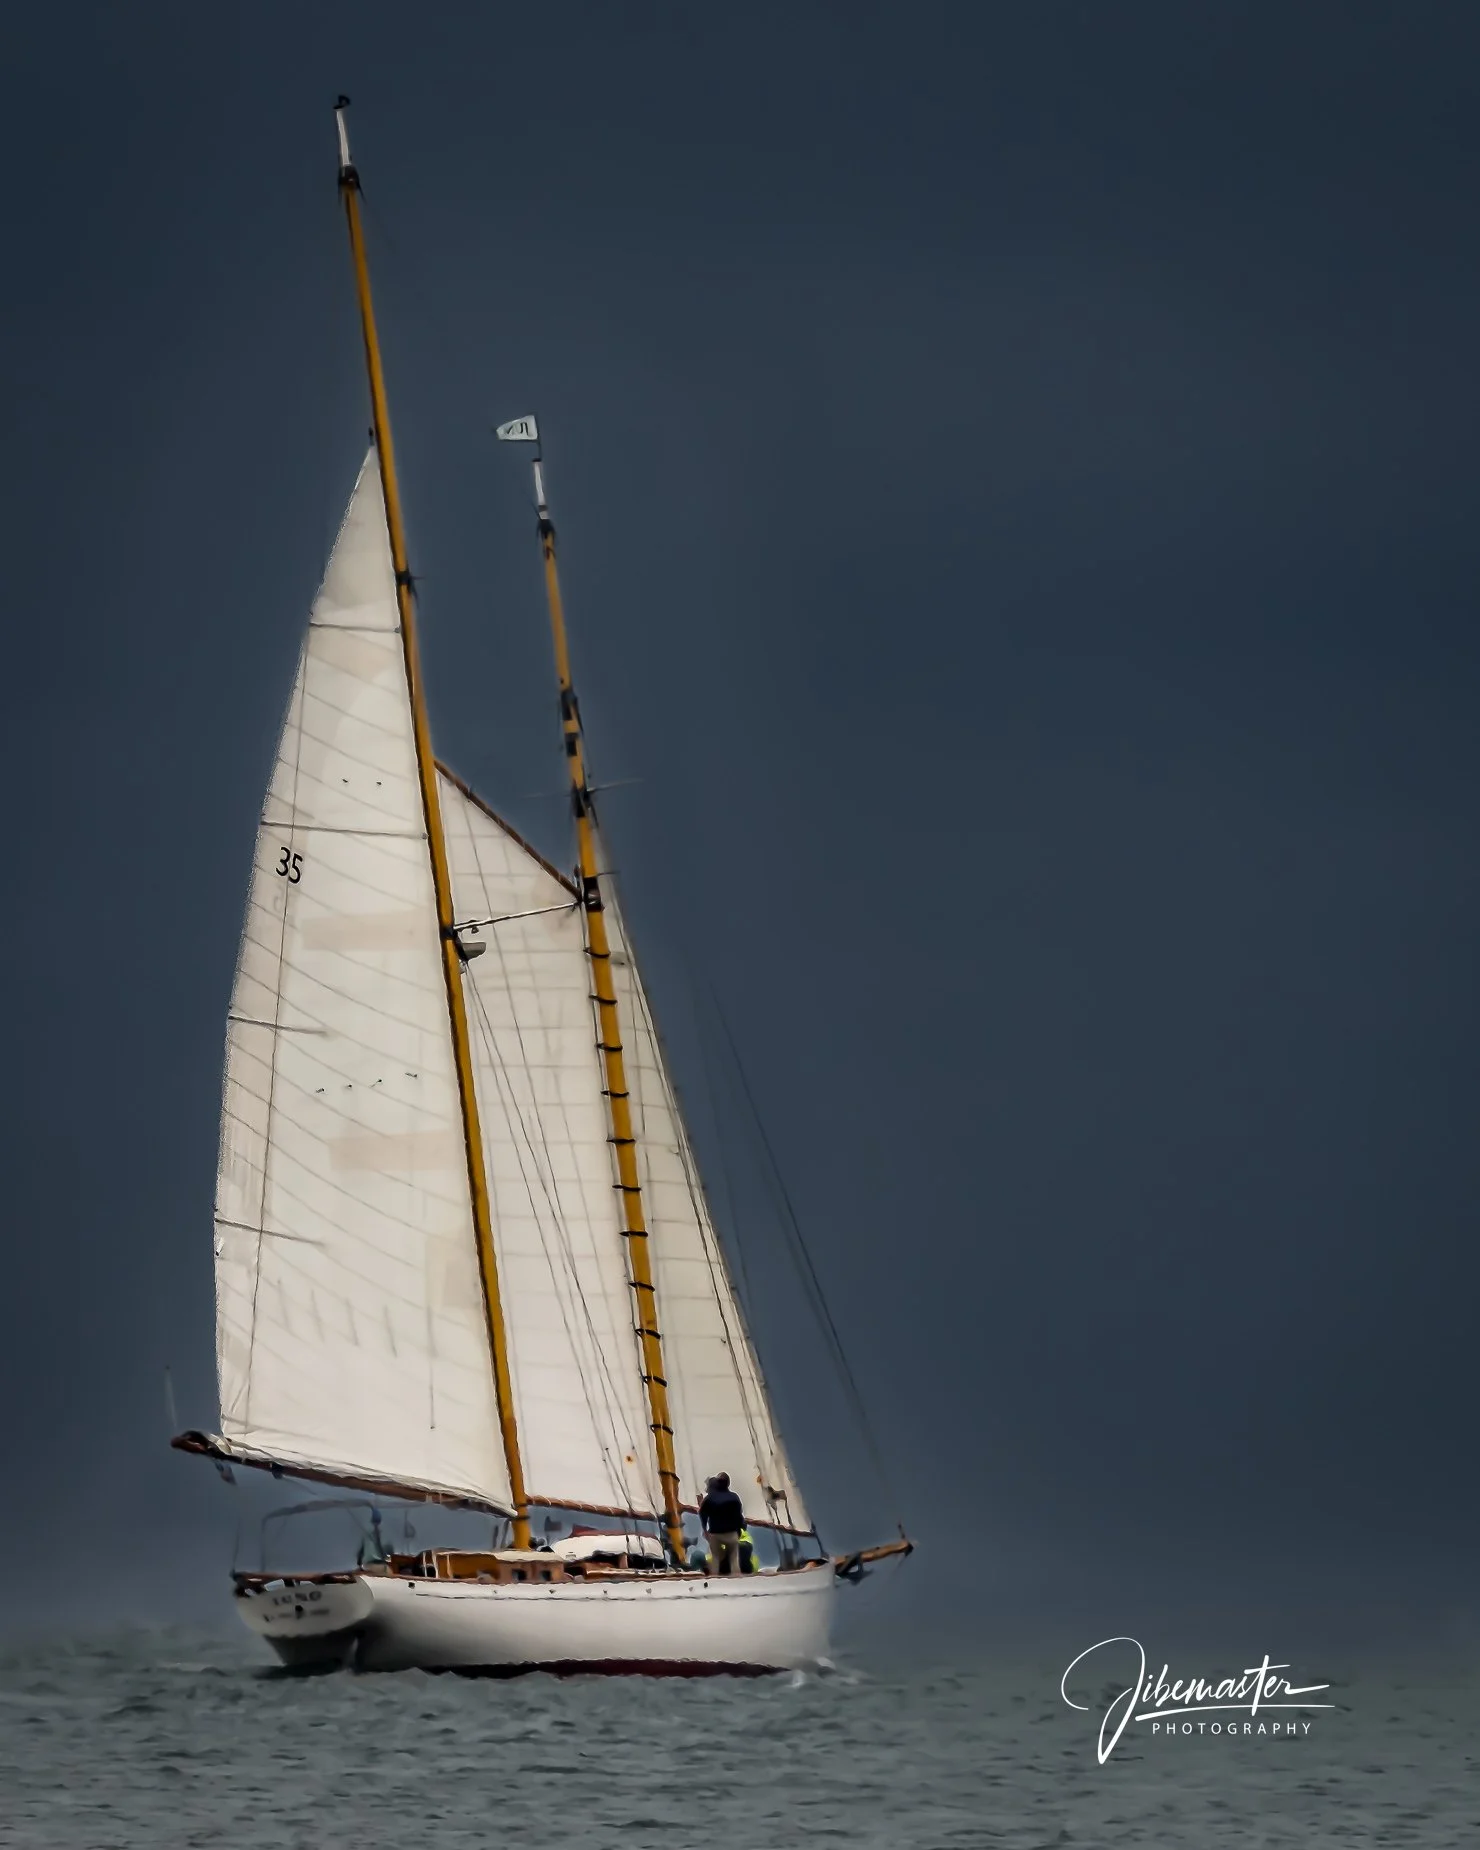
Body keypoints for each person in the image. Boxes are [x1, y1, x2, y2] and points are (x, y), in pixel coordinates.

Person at [699, 1472, 744, 1576]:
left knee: (715, 1557)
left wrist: (704, 1529)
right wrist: (738, 1530)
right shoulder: (734, 1497)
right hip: (731, 1533)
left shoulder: (709, 1498)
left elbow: (702, 1513)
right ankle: (737, 1578)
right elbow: (739, 1516)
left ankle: (714, 1578)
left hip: (715, 1533)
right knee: (733, 1557)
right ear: (728, 1483)